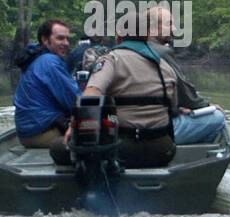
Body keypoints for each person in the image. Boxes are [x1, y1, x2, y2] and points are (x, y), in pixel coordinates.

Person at [75, 19, 181, 168]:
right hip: (162, 150)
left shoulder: (111, 60)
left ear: (119, 36)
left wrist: (74, 130)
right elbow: (173, 107)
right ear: (148, 36)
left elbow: (91, 96)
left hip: (122, 150)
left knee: (59, 148)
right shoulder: (166, 67)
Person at [147, 5, 227, 144]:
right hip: (161, 130)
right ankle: (195, 158)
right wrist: (207, 106)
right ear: (153, 27)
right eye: (169, 24)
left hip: (133, 127)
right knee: (218, 116)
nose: (174, 29)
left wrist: (177, 110)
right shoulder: (161, 53)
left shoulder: (127, 54)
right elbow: (185, 93)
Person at [13, 19, 78, 164]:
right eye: (60, 38)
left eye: (67, 39)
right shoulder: (50, 62)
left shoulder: (35, 58)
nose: (66, 43)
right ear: (45, 40)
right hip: (42, 133)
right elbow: (75, 101)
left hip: (27, 132)